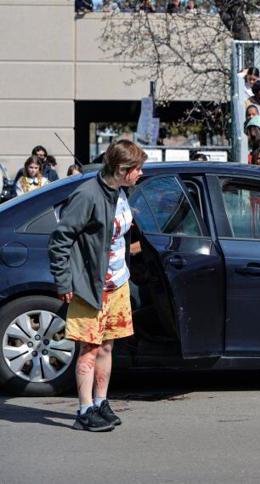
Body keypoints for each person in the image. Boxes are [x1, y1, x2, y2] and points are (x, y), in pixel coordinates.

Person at [48, 140, 146, 432]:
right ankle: (84, 409)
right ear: (121, 169)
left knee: (107, 346)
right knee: (88, 350)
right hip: (92, 287)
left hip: (117, 283)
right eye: (137, 169)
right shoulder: (88, 195)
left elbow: (116, 236)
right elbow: (60, 240)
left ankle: (101, 402)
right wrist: (64, 281)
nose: (141, 173)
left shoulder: (120, 192)